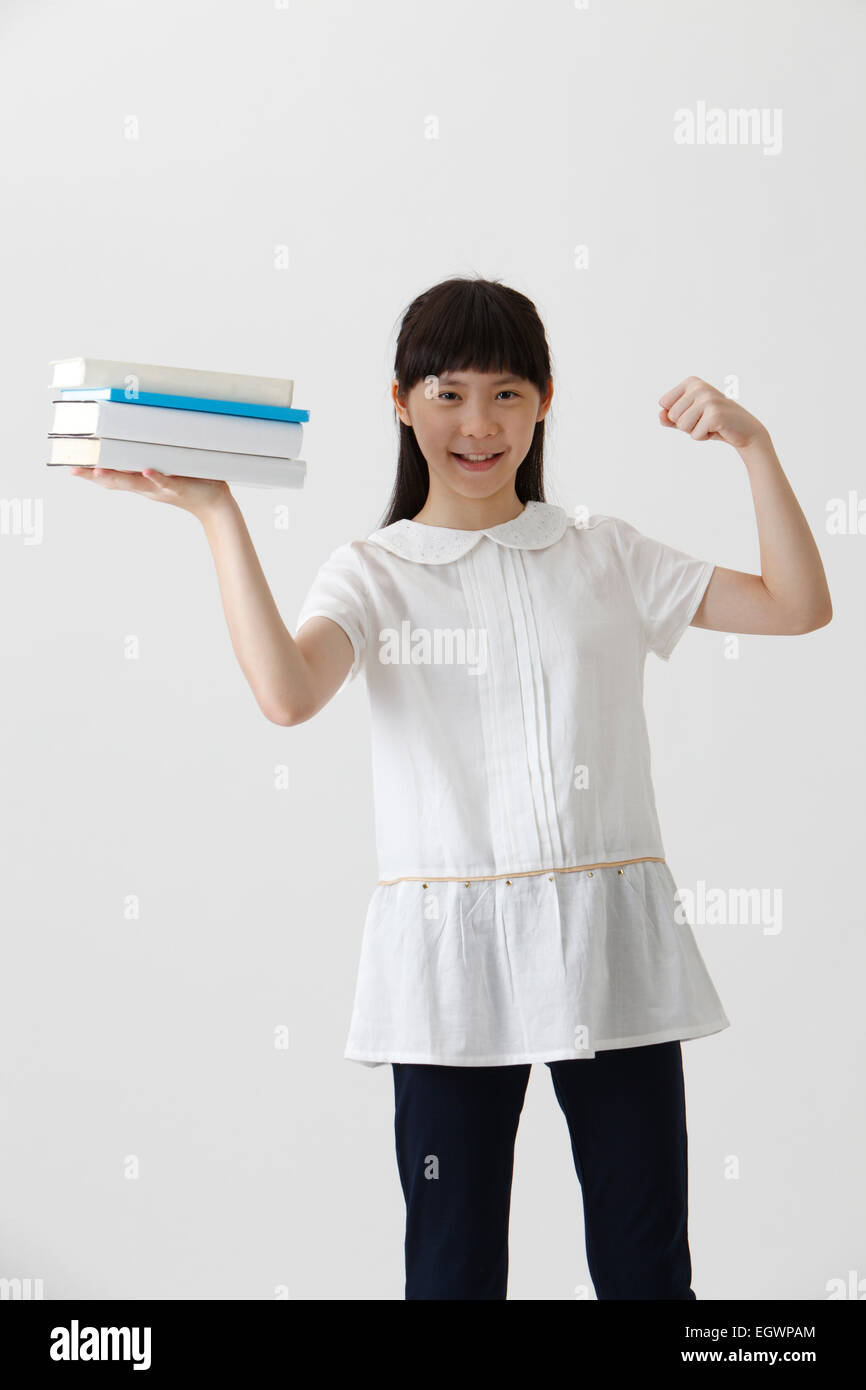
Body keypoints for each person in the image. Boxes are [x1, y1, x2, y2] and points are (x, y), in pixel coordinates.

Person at [71, 275, 832, 1300]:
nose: (477, 424)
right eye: (446, 391)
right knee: (449, 1272)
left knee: (646, 1272)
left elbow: (795, 605)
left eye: (506, 393)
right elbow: (288, 694)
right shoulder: (374, 571)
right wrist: (216, 512)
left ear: (544, 401)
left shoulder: (601, 551)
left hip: (609, 957)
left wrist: (753, 445)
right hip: (449, 973)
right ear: (400, 402)